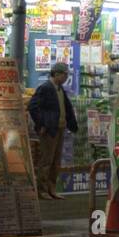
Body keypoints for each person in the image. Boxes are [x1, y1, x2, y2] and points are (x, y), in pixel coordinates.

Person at [27, 61, 79, 200]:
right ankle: (42, 190)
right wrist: (42, 124)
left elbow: (66, 108)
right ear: (56, 74)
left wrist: (72, 124)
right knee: (46, 160)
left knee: (56, 161)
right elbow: (32, 106)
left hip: (60, 128)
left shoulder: (60, 89)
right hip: (50, 129)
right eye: (64, 74)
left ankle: (52, 188)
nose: (66, 77)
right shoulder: (45, 88)